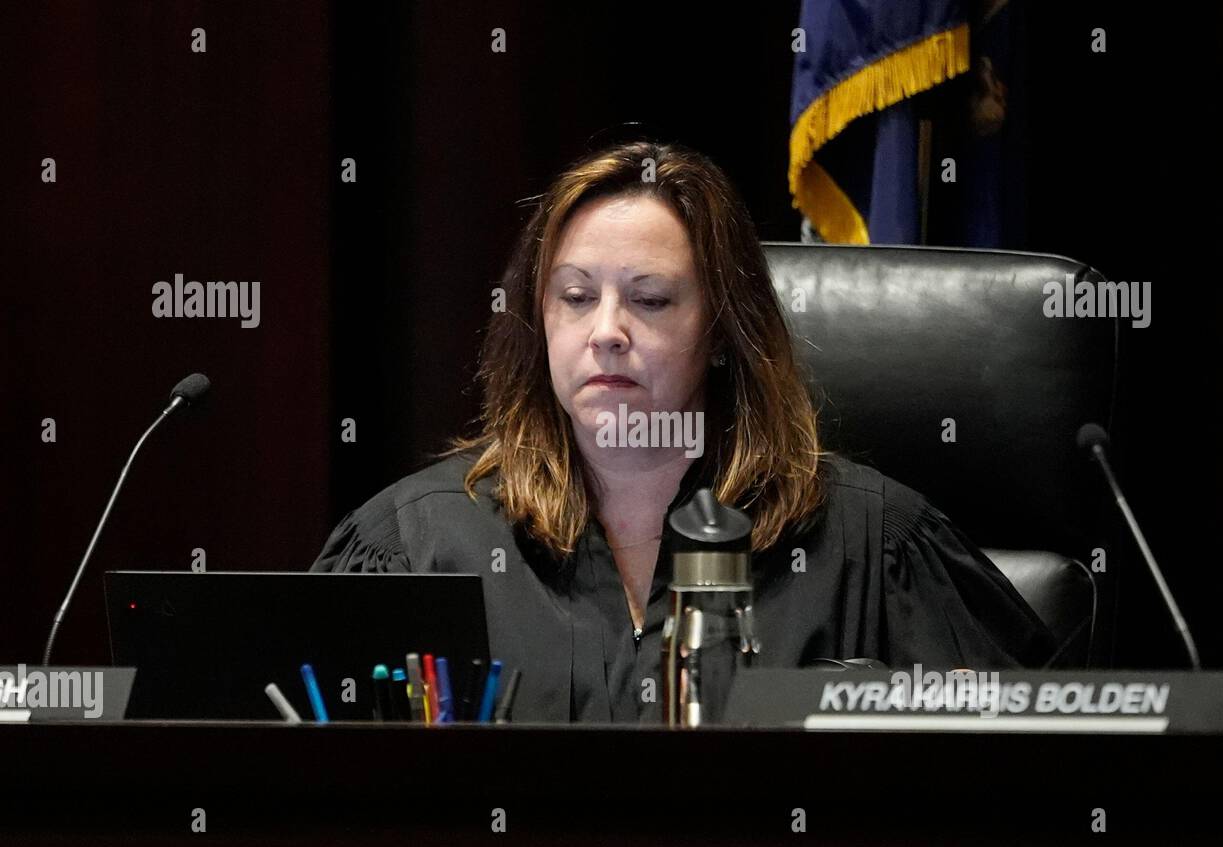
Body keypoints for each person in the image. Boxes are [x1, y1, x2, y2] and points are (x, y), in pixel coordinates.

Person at [310, 140, 1054, 723]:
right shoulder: (415, 547)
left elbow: (1032, 790)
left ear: (724, 331)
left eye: (652, 300)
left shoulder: (877, 546)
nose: (605, 332)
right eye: (575, 297)